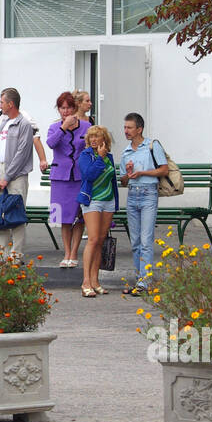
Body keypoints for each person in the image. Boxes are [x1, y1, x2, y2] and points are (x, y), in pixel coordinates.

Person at [119, 113, 168, 294]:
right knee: (135, 241)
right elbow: (124, 180)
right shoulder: (126, 152)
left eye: (129, 127)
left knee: (146, 240)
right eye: (125, 127)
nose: (126, 131)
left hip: (148, 194)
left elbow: (164, 170)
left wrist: (142, 173)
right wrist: (129, 173)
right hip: (132, 195)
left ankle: (144, 282)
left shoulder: (152, 146)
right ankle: (139, 279)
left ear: (139, 129)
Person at [0, 87, 36, 260]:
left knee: (16, 214)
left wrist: (6, 177)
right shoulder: (3, 123)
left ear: (11, 104)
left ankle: (16, 255)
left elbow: (22, 154)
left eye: (2, 102)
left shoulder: (23, 124)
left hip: (16, 175)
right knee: (1, 214)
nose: (0, 105)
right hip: (1, 171)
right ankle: (1, 255)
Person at [46, 91, 88, 267]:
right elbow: (51, 144)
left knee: (79, 216)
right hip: (60, 178)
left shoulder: (86, 126)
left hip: (80, 176)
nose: (65, 111)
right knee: (63, 217)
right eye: (62, 108)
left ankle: (75, 252)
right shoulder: (54, 127)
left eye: (69, 107)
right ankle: (67, 252)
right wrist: (64, 127)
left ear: (75, 107)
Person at [77, 125, 118, 297]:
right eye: (91, 137)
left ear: (104, 140)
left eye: (97, 136)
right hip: (92, 201)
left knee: (101, 240)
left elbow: (112, 179)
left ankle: (95, 280)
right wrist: (99, 158)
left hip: (108, 201)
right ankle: (85, 281)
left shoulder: (109, 156)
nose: (93, 140)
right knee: (92, 239)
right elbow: (89, 175)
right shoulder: (85, 155)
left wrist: (115, 202)